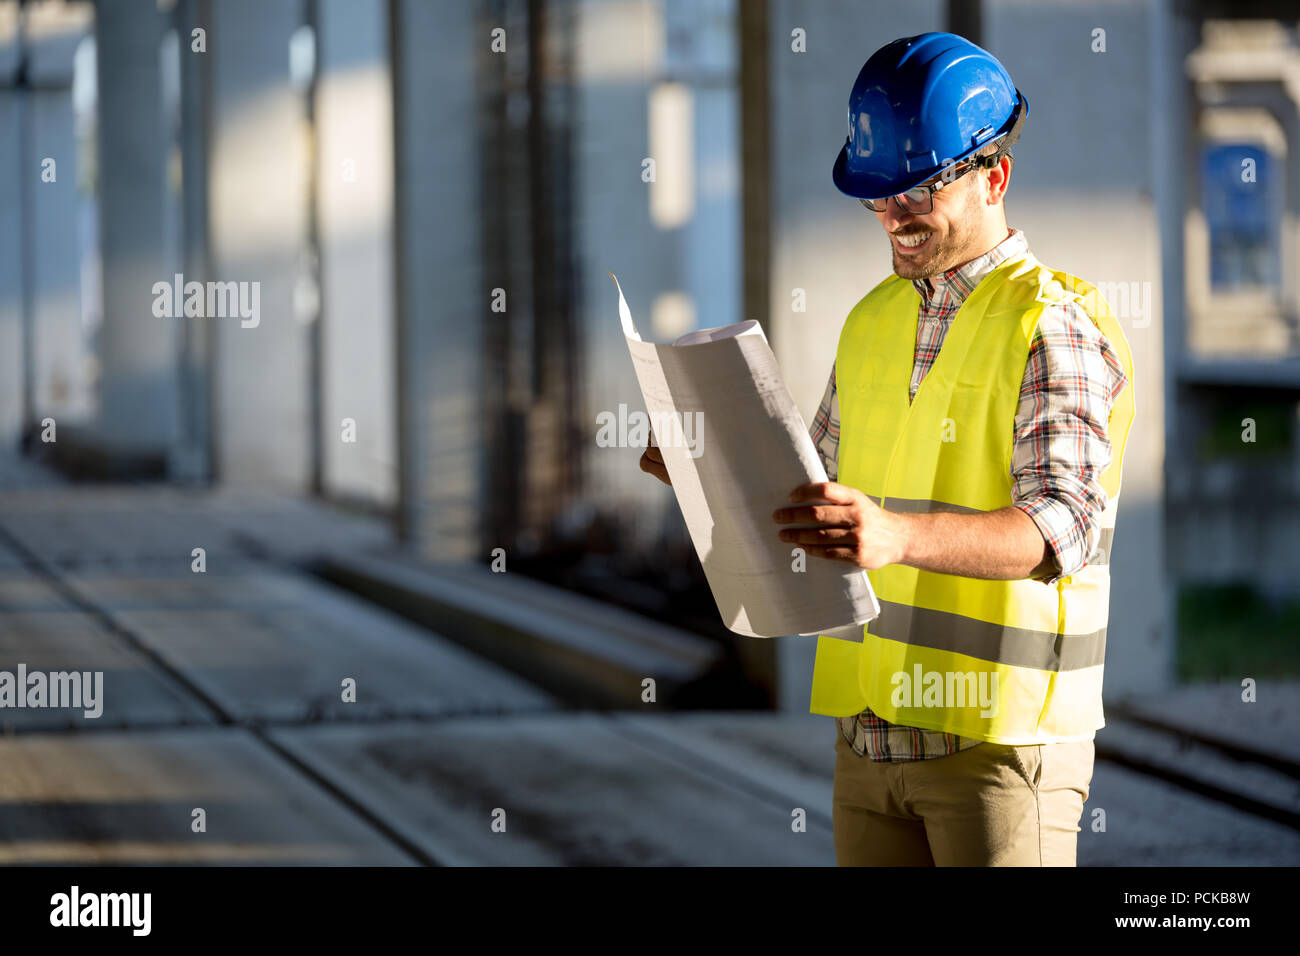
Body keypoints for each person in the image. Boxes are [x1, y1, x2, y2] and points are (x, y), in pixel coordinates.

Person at [641, 32, 1135, 866]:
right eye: (879, 192)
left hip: (997, 752)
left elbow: (1061, 527)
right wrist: (708, 472)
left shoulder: (1051, 326)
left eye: (918, 188)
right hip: (869, 742)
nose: (895, 213)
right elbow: (816, 506)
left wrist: (897, 535)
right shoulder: (872, 319)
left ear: (994, 177)